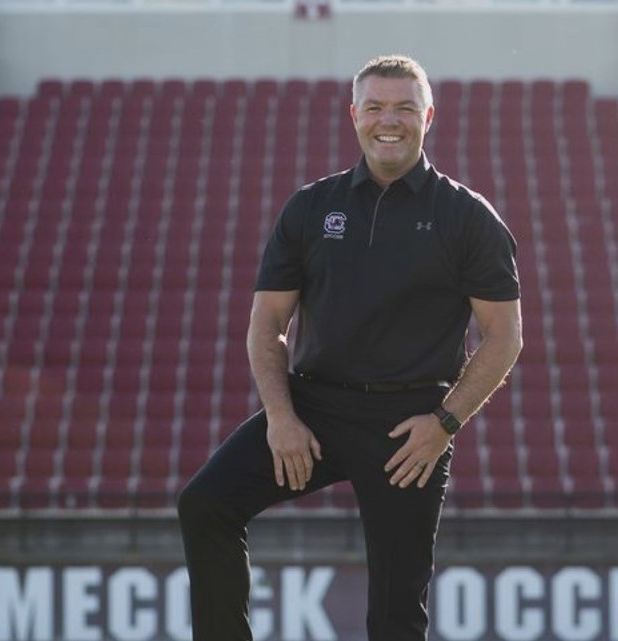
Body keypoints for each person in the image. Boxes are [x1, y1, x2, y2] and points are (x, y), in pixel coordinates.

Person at [178, 54, 522, 641]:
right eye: (376, 107)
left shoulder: (467, 217)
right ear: (354, 115)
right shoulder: (311, 208)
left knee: (396, 610)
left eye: (405, 108)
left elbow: (504, 338)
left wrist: (443, 423)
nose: (390, 120)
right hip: (314, 407)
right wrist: (282, 418)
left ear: (429, 116)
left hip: (408, 425)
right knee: (205, 505)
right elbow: (267, 327)